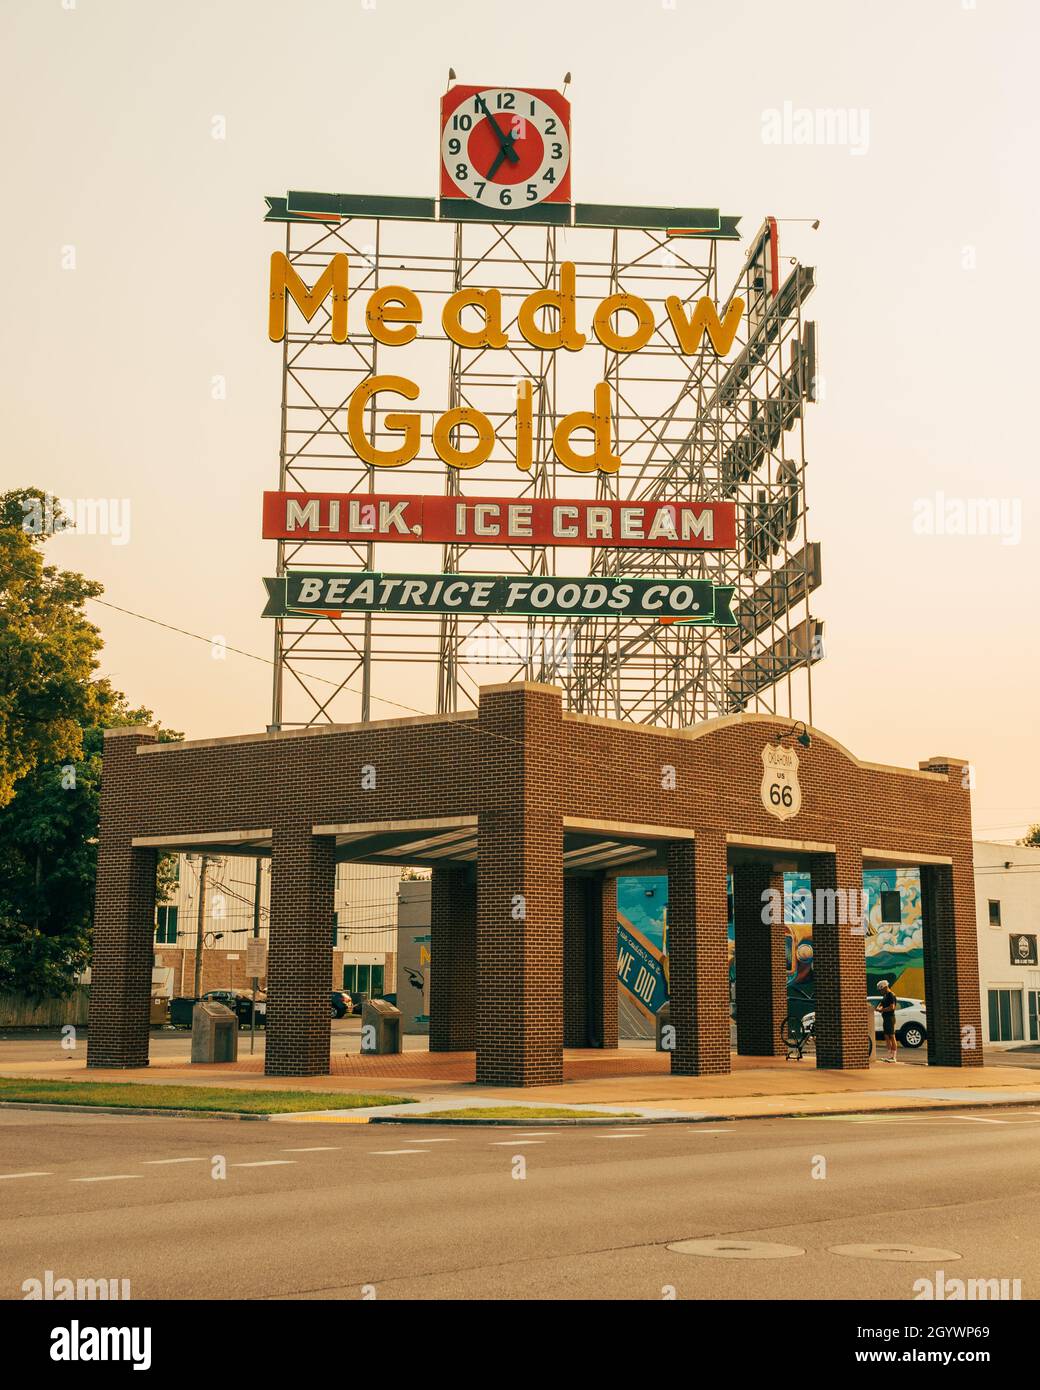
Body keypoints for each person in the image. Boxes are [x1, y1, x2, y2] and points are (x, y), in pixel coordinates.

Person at [878, 980, 898, 1062]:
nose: (880, 992)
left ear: (885, 987)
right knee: (886, 1036)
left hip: (890, 1018)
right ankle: (889, 1056)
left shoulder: (891, 995)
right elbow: (881, 1003)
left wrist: (882, 1009)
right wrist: (879, 1007)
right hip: (885, 1018)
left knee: (892, 1036)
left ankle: (893, 1057)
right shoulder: (885, 995)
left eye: (881, 990)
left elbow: (892, 1007)